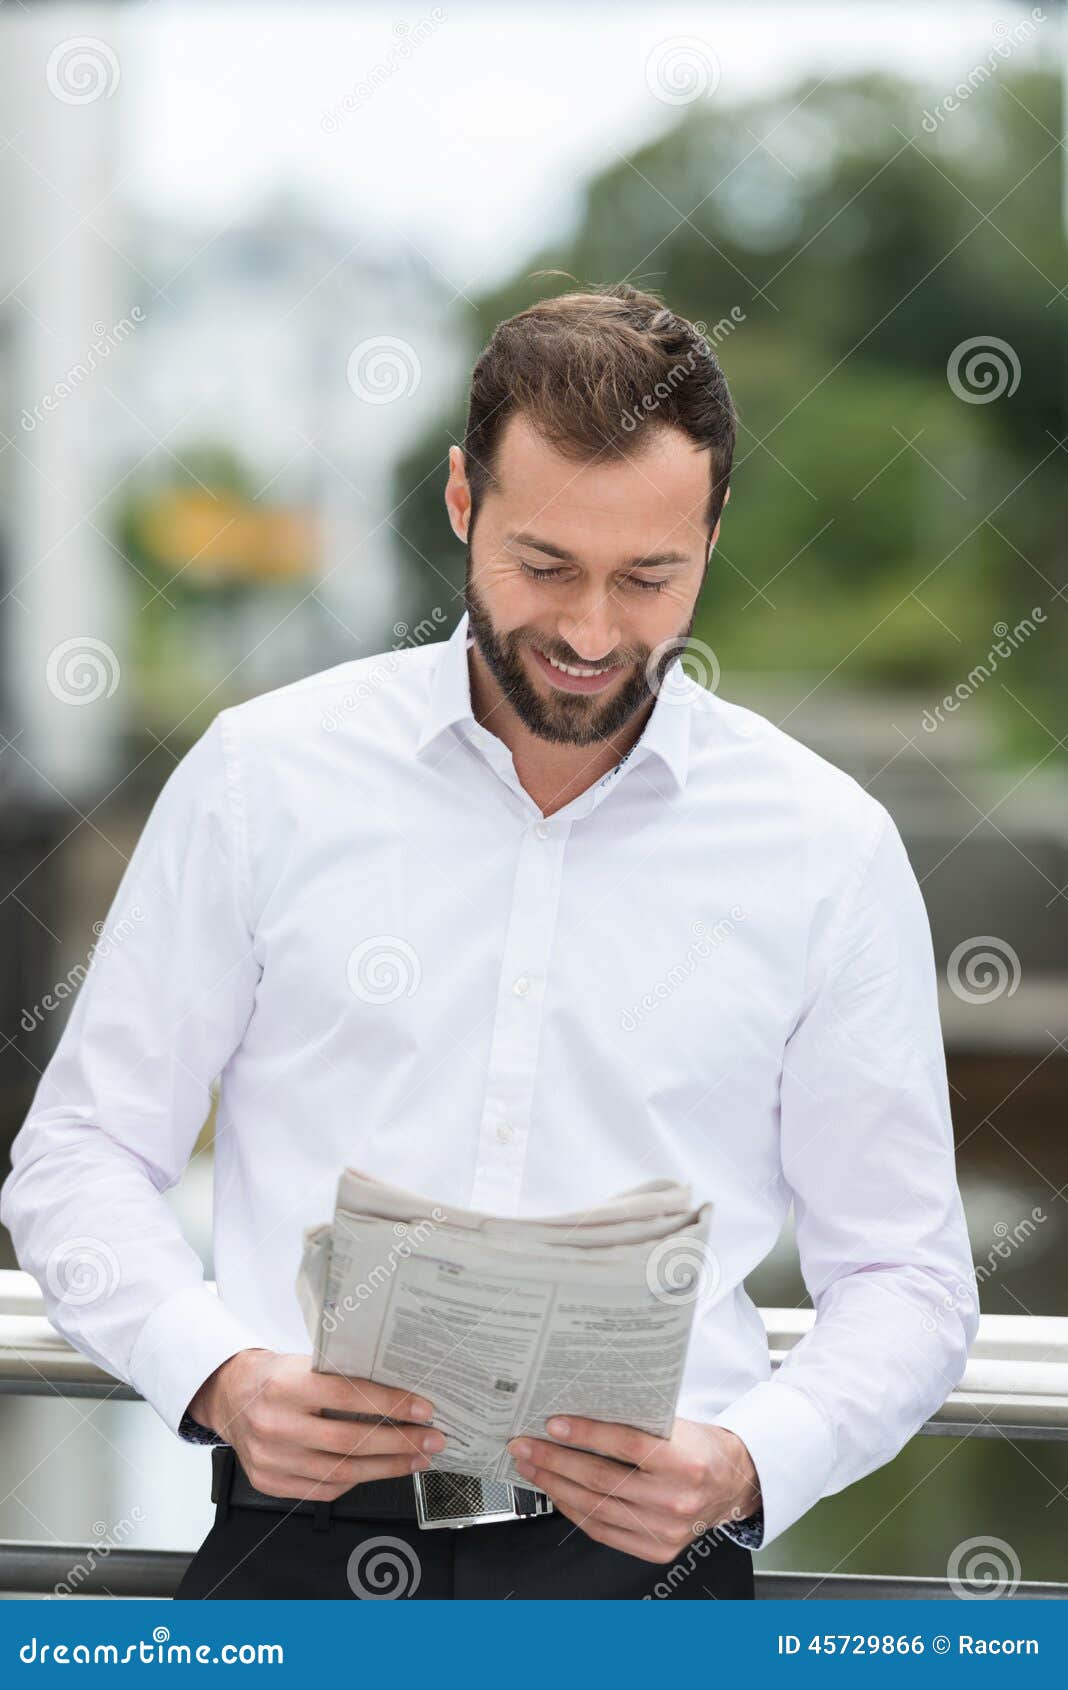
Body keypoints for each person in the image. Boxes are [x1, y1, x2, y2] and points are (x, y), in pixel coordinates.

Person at [1, 283, 978, 1600]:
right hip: (301, 1551)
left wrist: (754, 1458)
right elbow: (78, 1155)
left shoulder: (826, 847)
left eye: (649, 578)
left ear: (714, 530)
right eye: (546, 566)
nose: (589, 634)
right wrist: (217, 1373)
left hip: (651, 1585)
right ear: (464, 502)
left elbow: (907, 1272)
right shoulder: (263, 780)